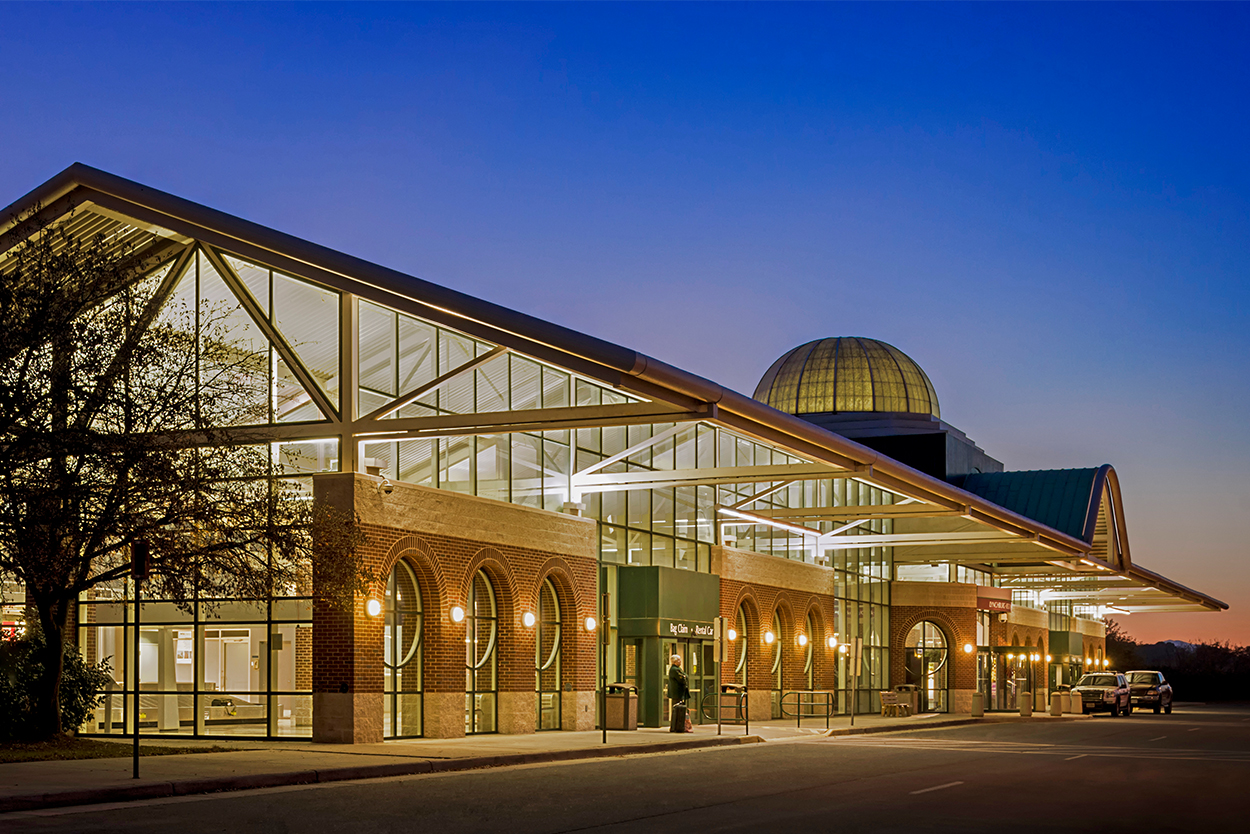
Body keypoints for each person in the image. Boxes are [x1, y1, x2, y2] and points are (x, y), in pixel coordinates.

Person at [667, 654, 690, 733]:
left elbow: (686, 676)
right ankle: (676, 726)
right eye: (679, 660)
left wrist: (685, 677)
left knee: (679, 709)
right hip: (677, 692)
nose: (680, 662)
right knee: (677, 709)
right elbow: (681, 679)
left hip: (680, 692)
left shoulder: (678, 669)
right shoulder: (674, 669)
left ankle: (679, 725)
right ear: (675, 662)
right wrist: (684, 677)